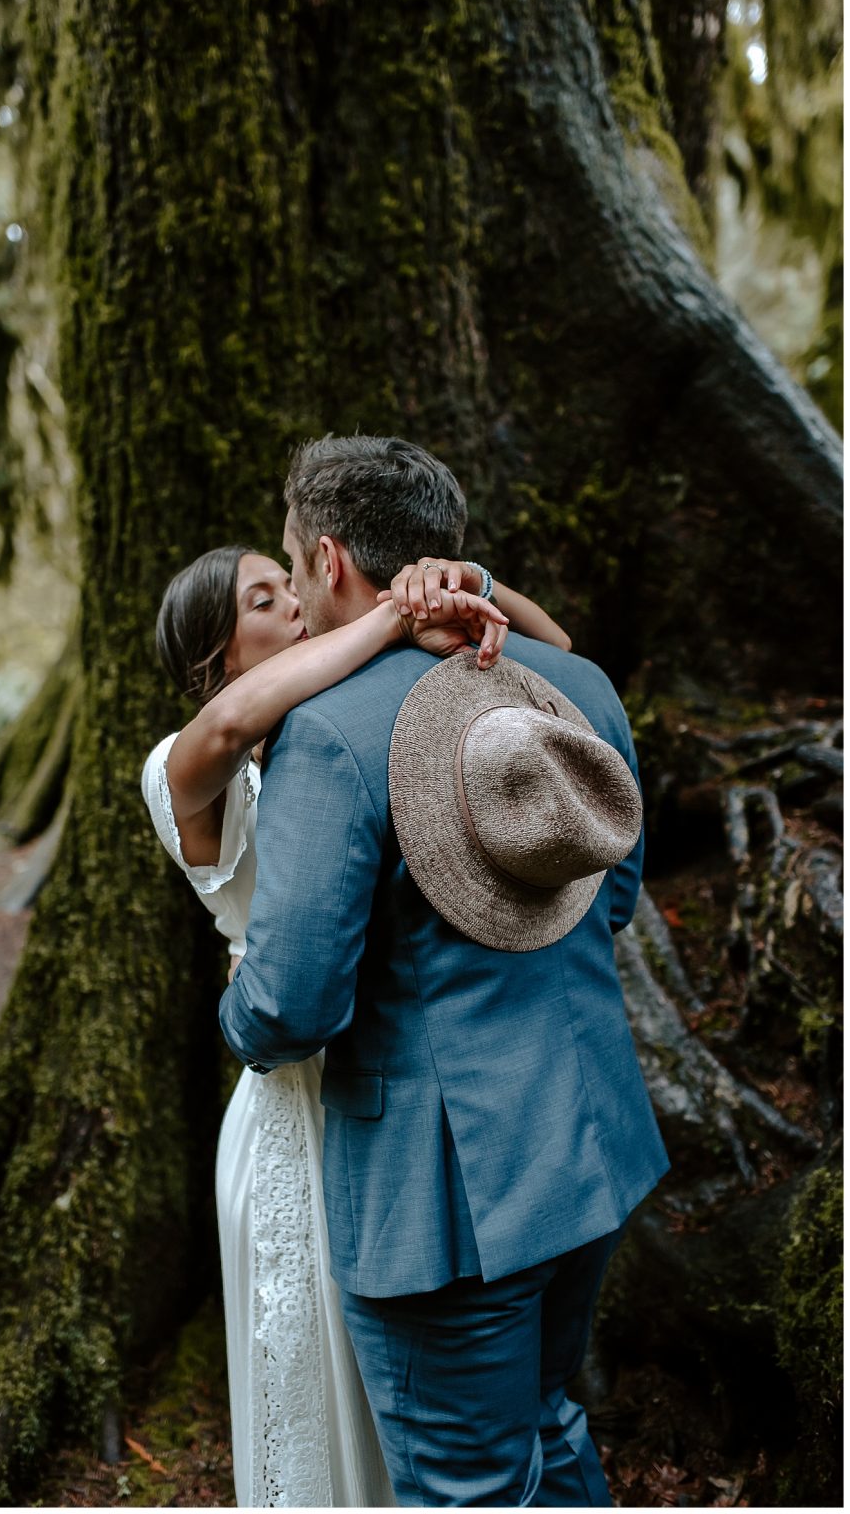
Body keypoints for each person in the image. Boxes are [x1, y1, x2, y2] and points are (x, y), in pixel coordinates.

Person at [219, 434, 670, 1507]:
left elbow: (290, 1004)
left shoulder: (325, 733)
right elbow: (610, 897)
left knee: (464, 1486)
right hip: (589, 1148)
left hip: (448, 1199)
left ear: (329, 560)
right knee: (550, 1433)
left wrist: (235, 1012)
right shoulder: (575, 683)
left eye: (292, 559)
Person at [142, 535, 570, 1507]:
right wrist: (388, 614)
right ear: (214, 652)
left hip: (385, 1083)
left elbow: (560, 656)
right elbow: (232, 721)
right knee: (316, 1365)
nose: (292, 603)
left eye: (284, 581)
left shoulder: (340, 712)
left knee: (416, 1390)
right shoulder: (183, 764)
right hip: (292, 1100)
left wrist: (470, 591)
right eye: (260, 600)